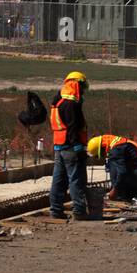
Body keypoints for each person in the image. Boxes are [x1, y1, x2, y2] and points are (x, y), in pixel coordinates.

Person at [48, 71, 89, 220]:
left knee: (59, 180)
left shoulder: (57, 102)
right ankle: (79, 211)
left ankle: (56, 210)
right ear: (76, 85)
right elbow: (72, 127)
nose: (83, 90)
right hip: (71, 148)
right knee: (76, 179)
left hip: (59, 147)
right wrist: (77, 146)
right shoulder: (71, 104)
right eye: (82, 86)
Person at [87, 134, 137, 200]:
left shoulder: (116, 151)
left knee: (113, 163)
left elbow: (122, 172)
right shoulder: (117, 142)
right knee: (112, 163)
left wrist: (115, 190)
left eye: (101, 154)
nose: (103, 156)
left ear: (102, 147)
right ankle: (126, 190)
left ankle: (123, 194)